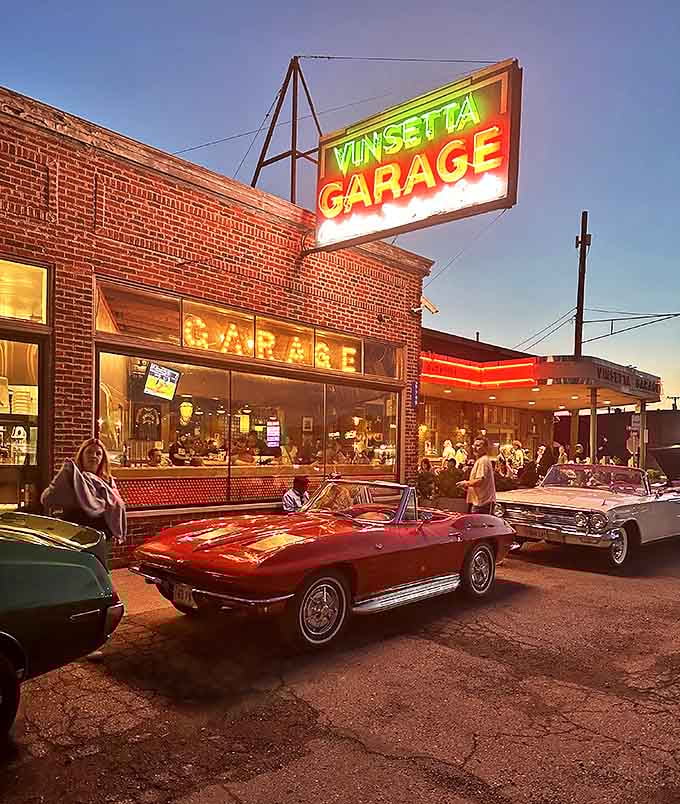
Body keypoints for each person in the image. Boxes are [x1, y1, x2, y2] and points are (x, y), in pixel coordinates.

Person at [41, 438, 127, 545]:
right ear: (82, 455)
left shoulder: (108, 480)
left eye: (98, 453)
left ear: (102, 458)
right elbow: (47, 498)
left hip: (102, 536)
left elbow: (118, 505)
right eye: (89, 452)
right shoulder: (72, 477)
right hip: (75, 534)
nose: (94, 456)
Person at [457, 437, 496, 514]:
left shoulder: (483, 461)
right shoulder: (480, 460)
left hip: (482, 504)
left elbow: (480, 481)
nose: (475, 448)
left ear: (485, 448)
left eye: (478, 446)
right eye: (474, 445)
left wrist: (466, 483)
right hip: (479, 503)